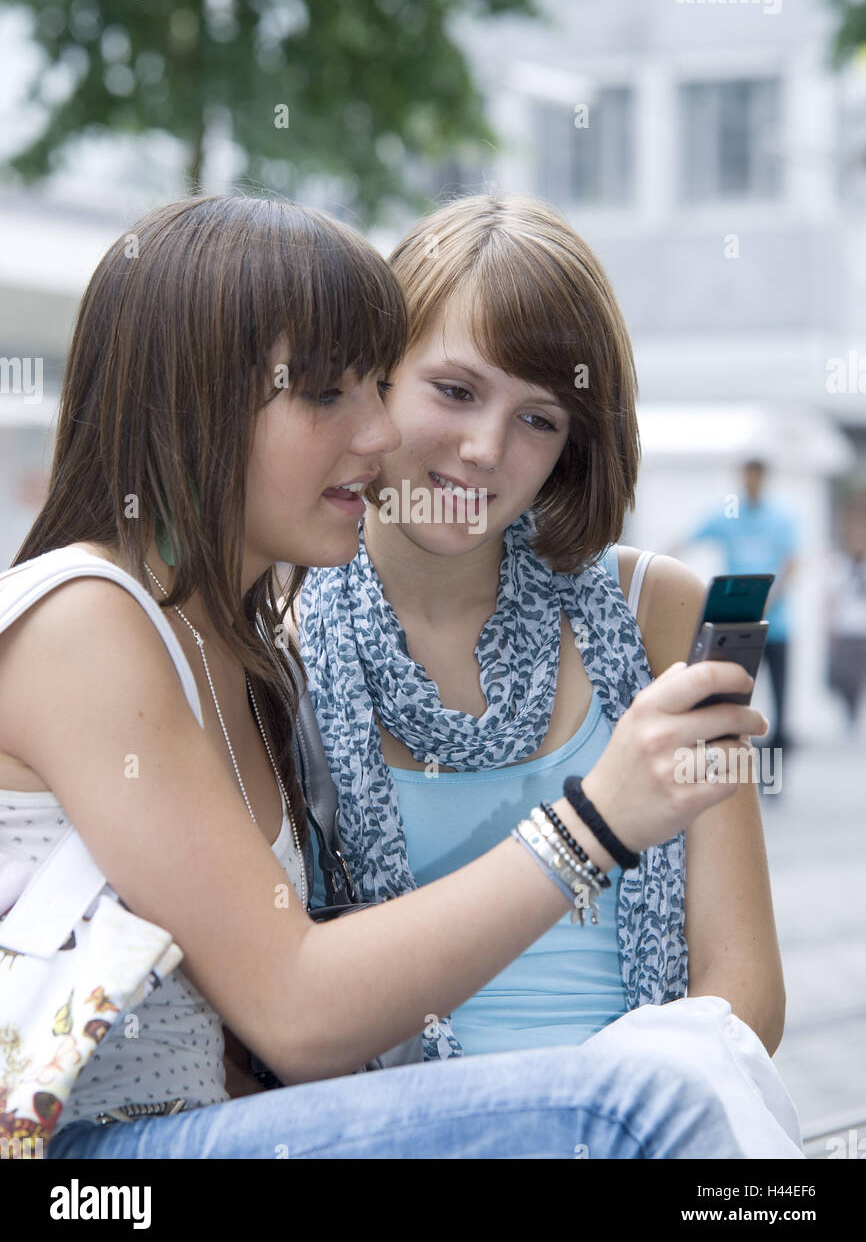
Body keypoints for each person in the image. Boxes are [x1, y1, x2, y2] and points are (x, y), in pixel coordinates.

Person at [0, 193, 781, 1160]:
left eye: (540, 417)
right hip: (92, 1157)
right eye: (332, 393)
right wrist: (598, 822)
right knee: (634, 1114)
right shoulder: (111, 622)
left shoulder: (224, 649)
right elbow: (291, 1006)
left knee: (676, 1111)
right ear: (195, 400)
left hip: (229, 1126)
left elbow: (243, 1024)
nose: (374, 437)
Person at [293, 192, 788, 1072]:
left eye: (539, 418)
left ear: (574, 446)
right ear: (375, 378)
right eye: (455, 390)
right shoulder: (280, 638)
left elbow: (745, 987)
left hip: (646, 1108)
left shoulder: (663, 612)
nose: (486, 447)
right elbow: (280, 1011)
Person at [670, 459, 799, 759]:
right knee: (731, 693)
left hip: (776, 626)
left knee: (780, 700)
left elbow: (792, 564)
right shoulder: (727, 515)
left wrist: (769, 600)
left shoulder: (781, 518)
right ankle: (730, 757)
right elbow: (687, 539)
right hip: (739, 626)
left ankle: (777, 770)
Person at [825, 500, 866, 734]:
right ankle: (850, 709)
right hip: (845, 628)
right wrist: (829, 627)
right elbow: (830, 598)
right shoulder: (839, 566)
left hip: (863, 629)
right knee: (842, 676)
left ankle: (856, 711)